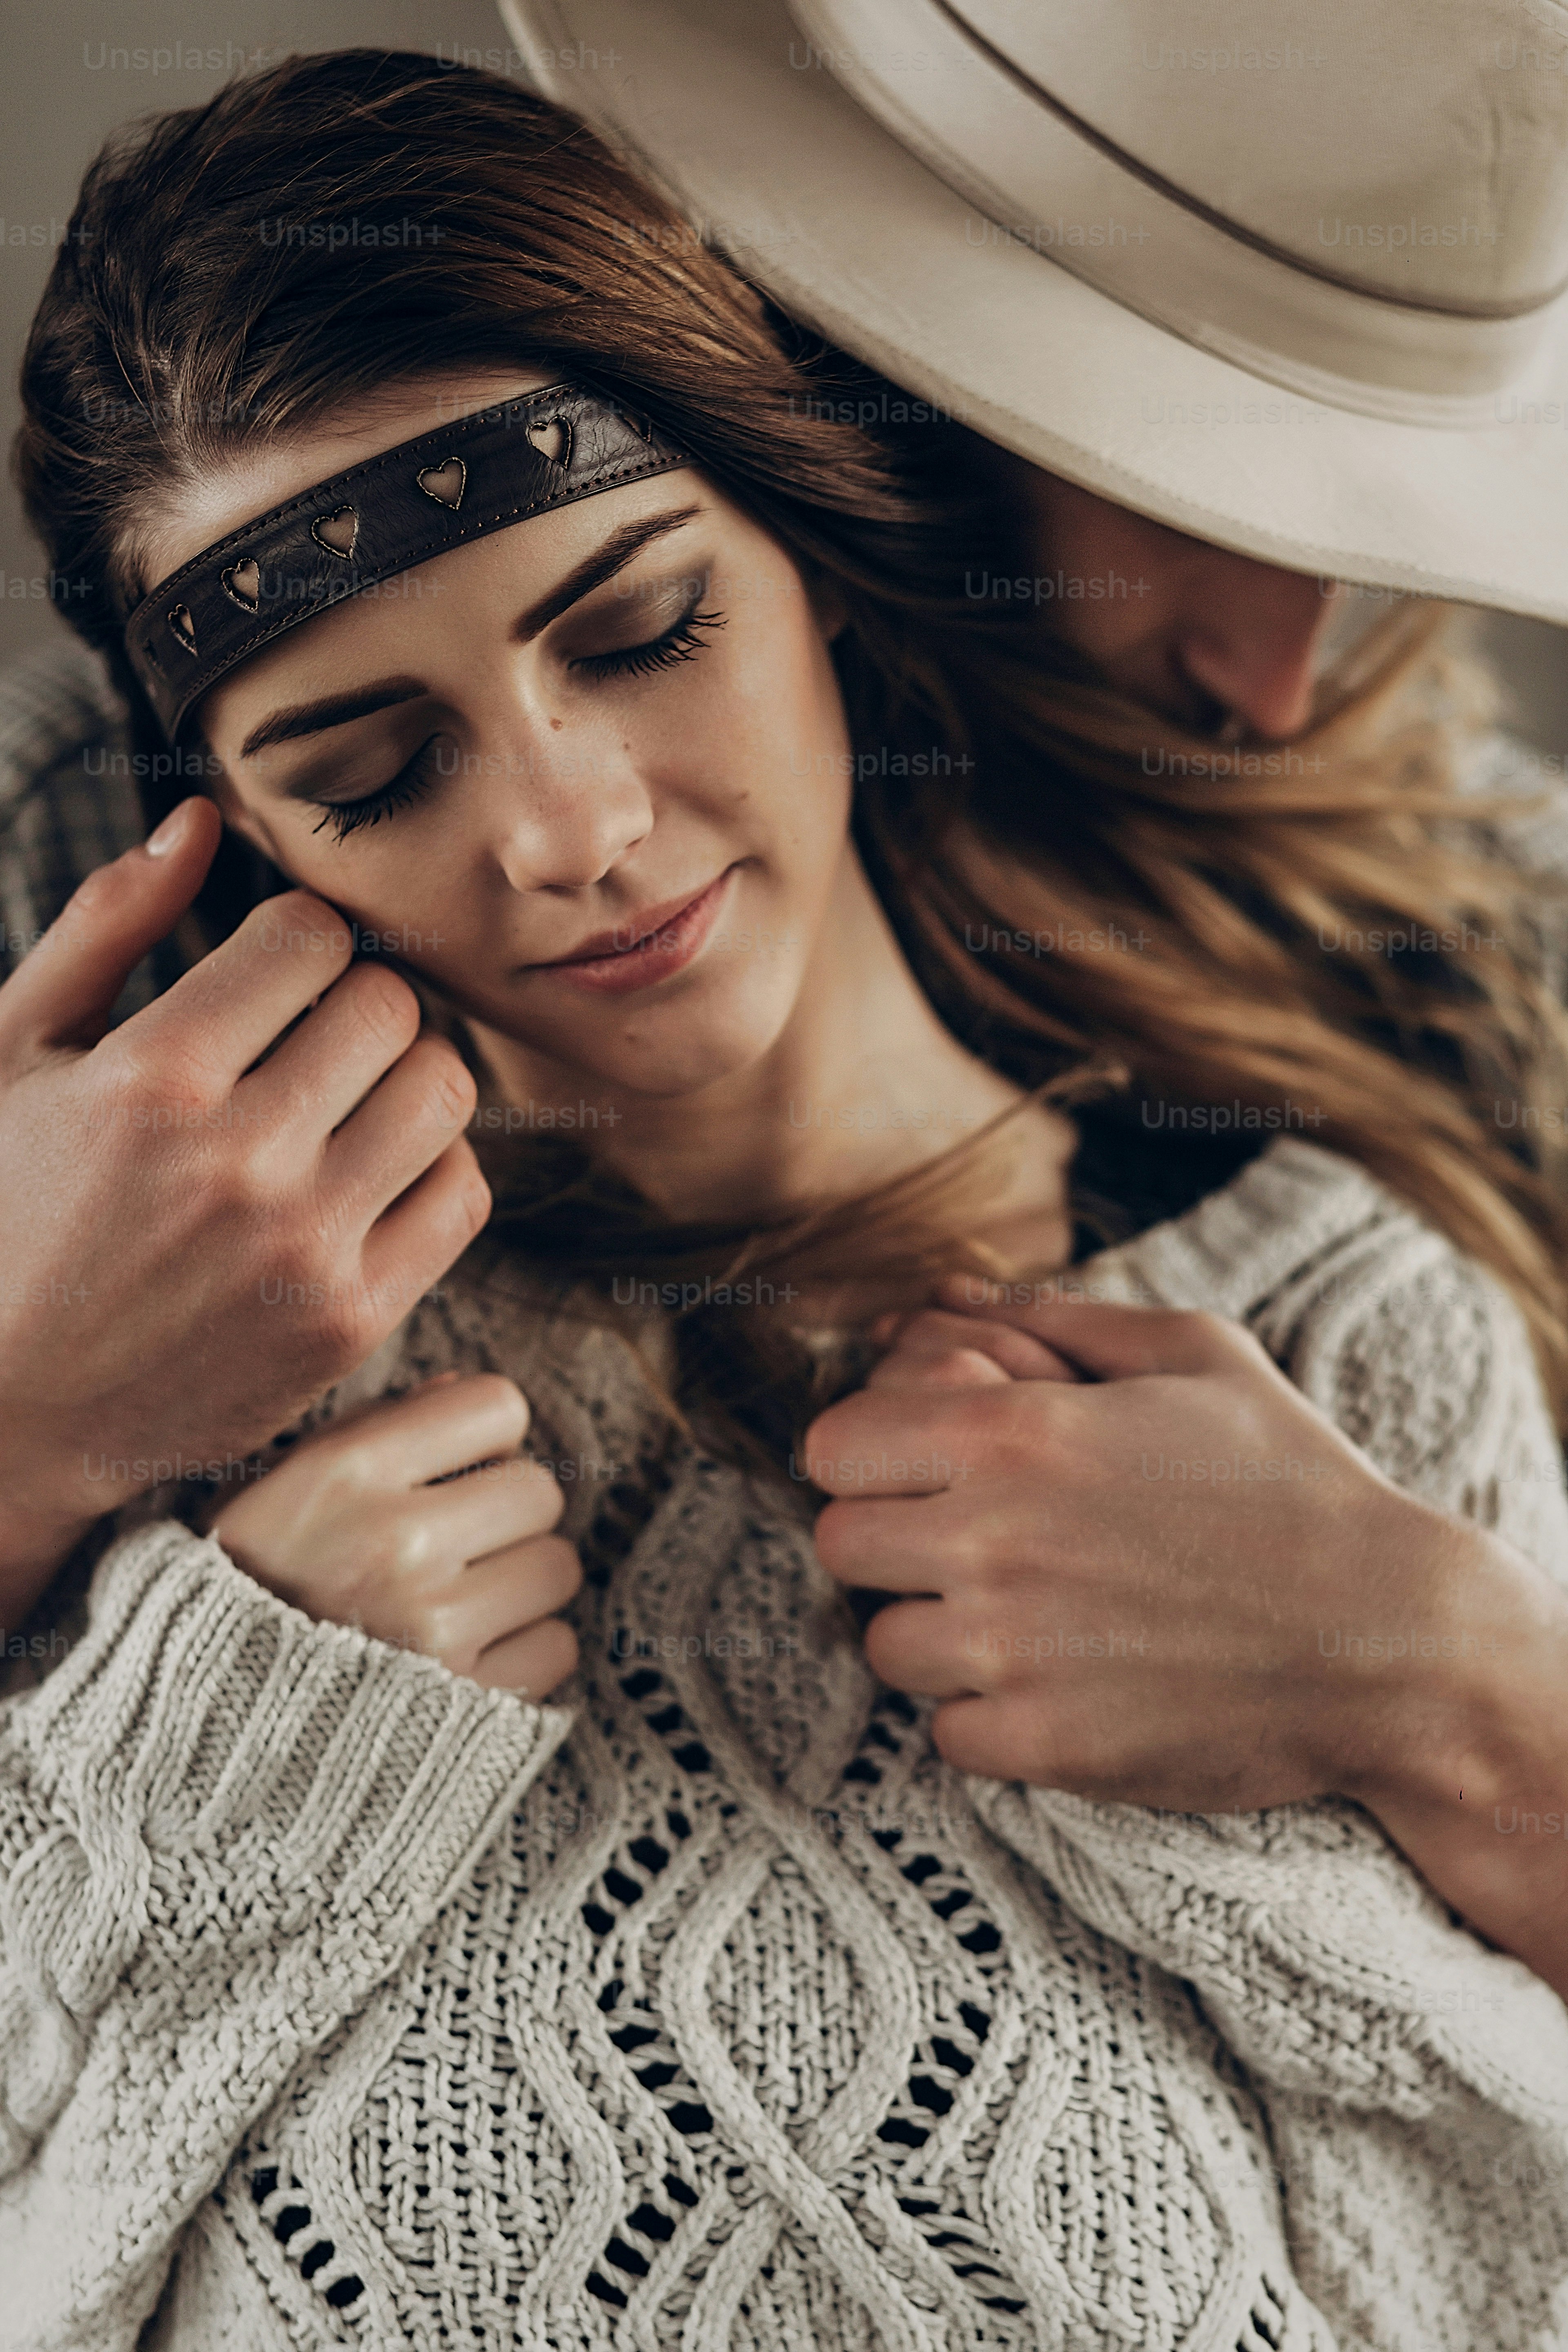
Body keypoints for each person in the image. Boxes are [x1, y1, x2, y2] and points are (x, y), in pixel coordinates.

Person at [3, 51, 1568, 2352]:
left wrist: (1438, 1674)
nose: (569, 830)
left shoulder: (1348, 1323)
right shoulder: (175, 1405)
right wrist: (173, 1710)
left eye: (640, 633)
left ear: (824, 560)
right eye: (367, 770)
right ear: (223, 844)